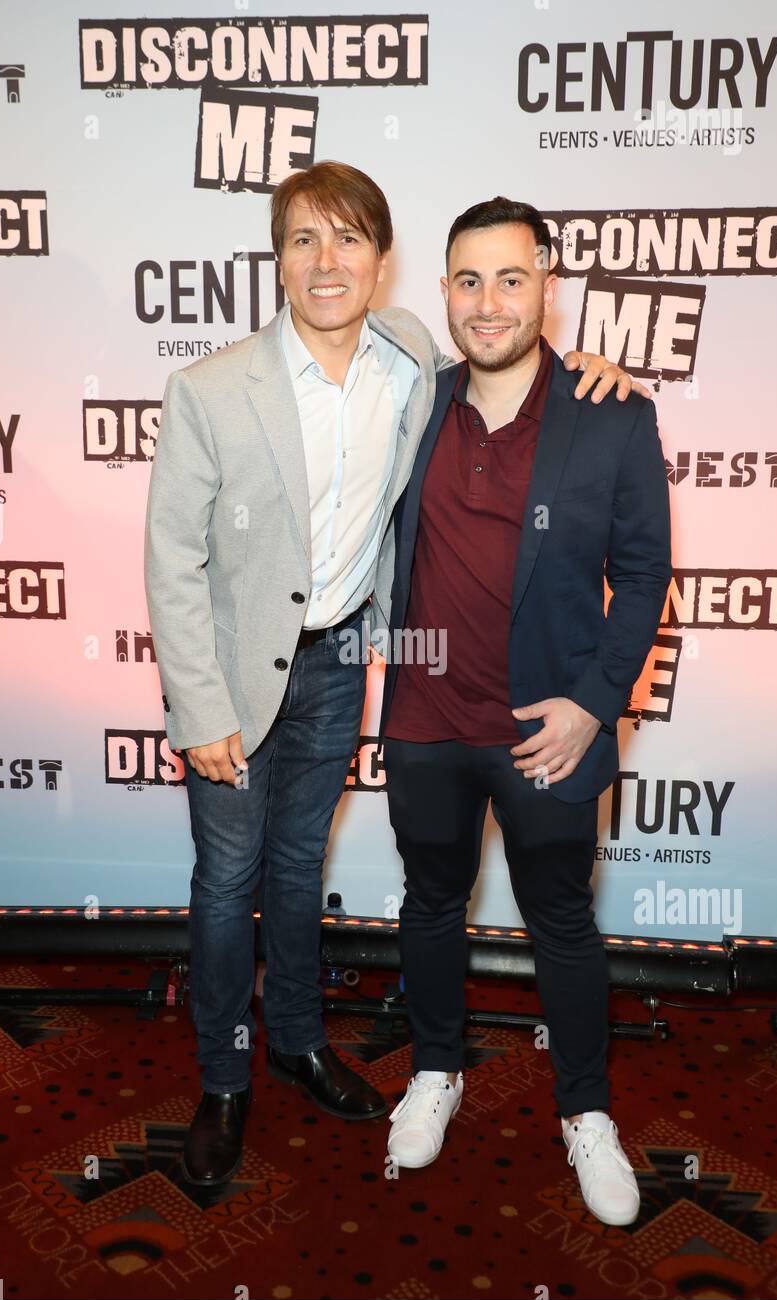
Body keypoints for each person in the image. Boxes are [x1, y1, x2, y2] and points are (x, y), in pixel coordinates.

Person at [143, 163, 646, 1187]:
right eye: (302, 241)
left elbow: (523, 370)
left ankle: (297, 1040)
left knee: (296, 872)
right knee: (227, 879)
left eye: (348, 242)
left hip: (343, 669)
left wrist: (589, 366)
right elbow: (170, 560)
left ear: (381, 260)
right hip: (241, 683)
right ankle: (226, 1077)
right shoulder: (212, 387)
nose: (326, 264)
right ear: (276, 258)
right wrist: (198, 705)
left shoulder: (410, 362)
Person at [377, 196, 672, 1226]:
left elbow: (641, 575)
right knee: (429, 902)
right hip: (421, 719)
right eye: (466, 280)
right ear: (444, 292)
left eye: (510, 277)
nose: (487, 301)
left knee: (559, 920)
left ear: (548, 282)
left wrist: (596, 707)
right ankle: (435, 1073)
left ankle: (584, 1111)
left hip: (550, 729)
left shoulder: (612, 412)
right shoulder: (410, 403)